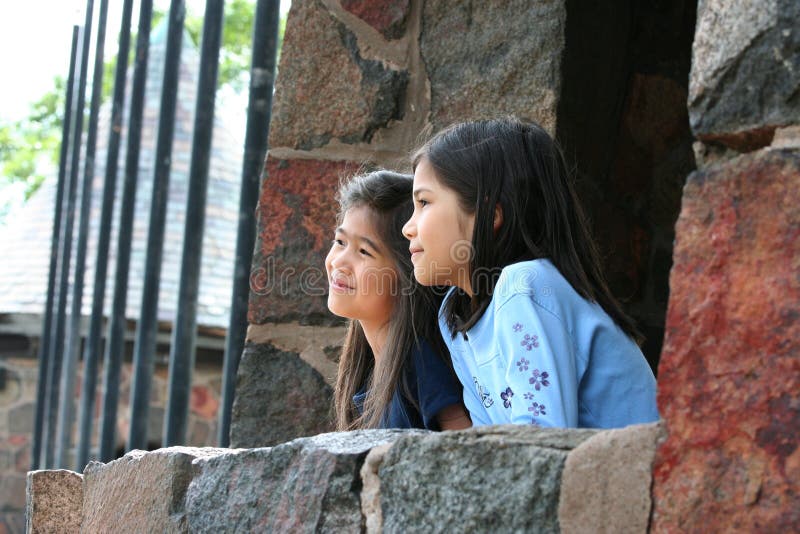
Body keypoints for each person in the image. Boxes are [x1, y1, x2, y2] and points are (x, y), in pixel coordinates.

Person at [402, 117, 659, 428]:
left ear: (489, 214)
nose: (408, 228)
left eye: (424, 202)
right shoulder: (454, 317)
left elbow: (540, 437)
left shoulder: (524, 286)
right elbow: (488, 441)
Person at [326, 170, 471, 431]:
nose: (338, 262)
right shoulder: (369, 368)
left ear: (407, 273)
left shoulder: (420, 362)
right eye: (340, 242)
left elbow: (463, 447)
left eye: (363, 252)